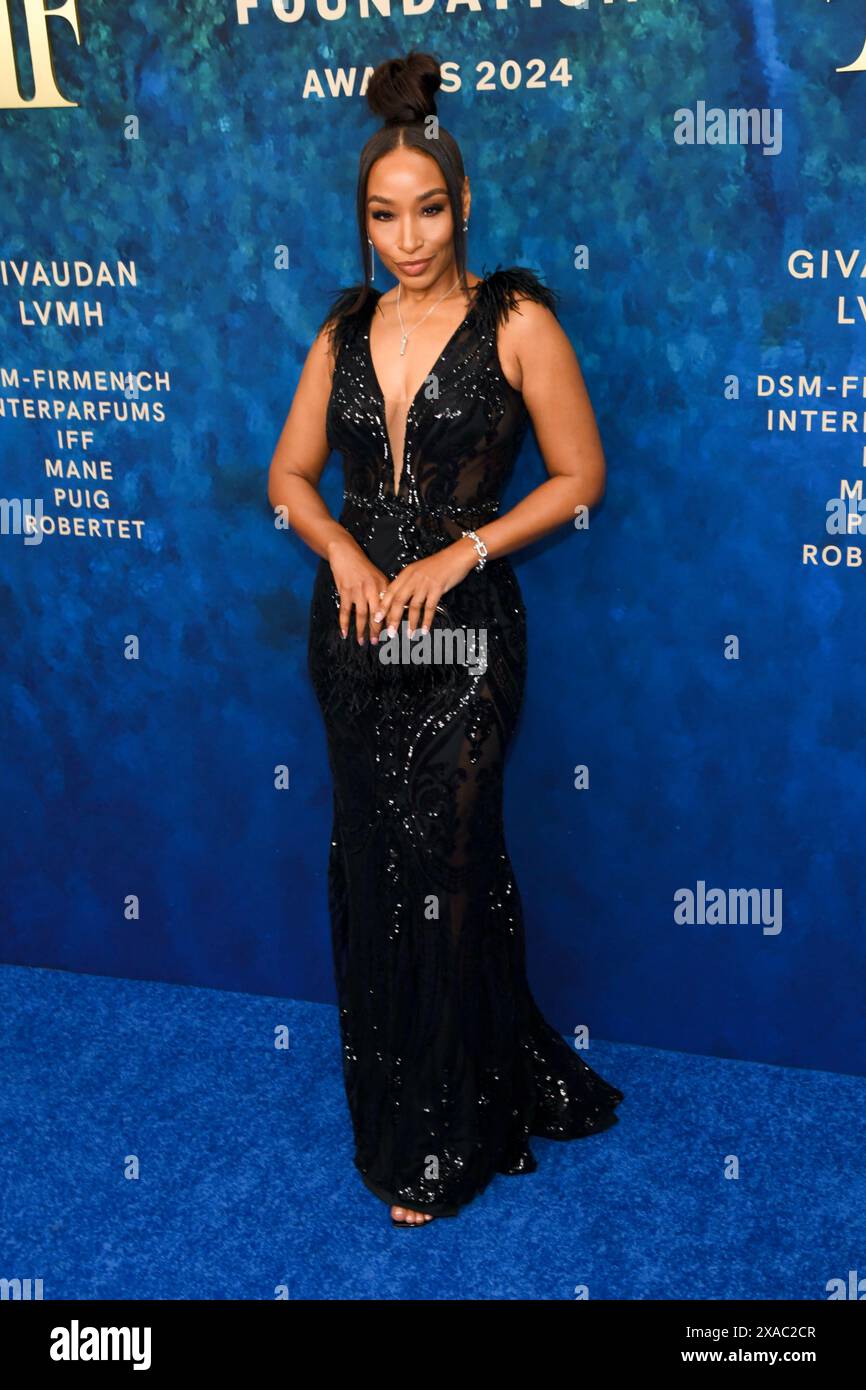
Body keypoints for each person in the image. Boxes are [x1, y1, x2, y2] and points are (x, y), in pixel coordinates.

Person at [268, 50, 623, 1227]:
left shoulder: (514, 319)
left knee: (450, 860)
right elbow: (288, 476)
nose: (406, 237)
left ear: (460, 206)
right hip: (358, 631)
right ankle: (408, 1106)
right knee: (377, 866)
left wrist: (458, 553)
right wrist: (342, 551)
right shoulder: (342, 329)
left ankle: (450, 1138)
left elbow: (579, 479)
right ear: (361, 220)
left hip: (464, 637)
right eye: (382, 214)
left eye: (427, 210)